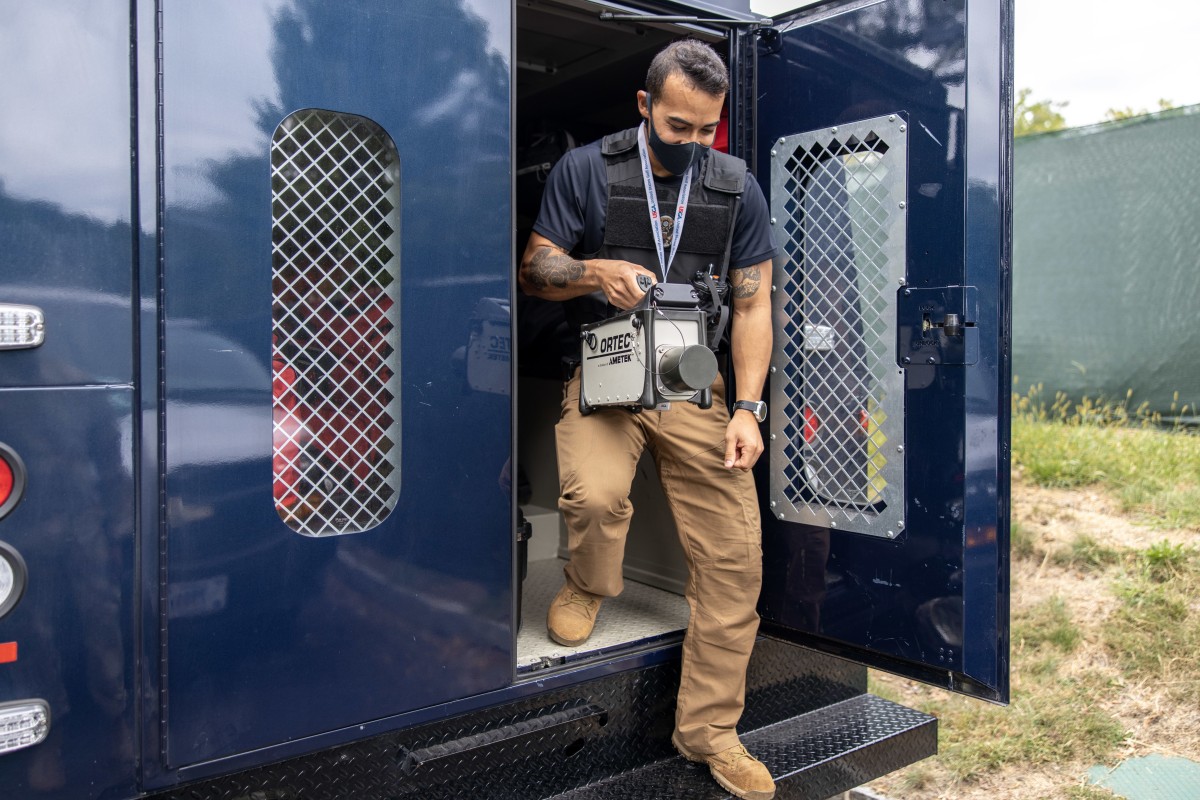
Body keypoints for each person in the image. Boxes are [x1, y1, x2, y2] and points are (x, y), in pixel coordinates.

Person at [518, 40, 777, 800]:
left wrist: (750, 409)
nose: (694, 143)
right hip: (605, 373)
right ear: (644, 106)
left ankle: (711, 736)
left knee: (735, 561)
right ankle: (589, 584)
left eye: (708, 130)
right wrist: (593, 271)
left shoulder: (736, 188)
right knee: (595, 498)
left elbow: (755, 301)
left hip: (693, 381)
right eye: (678, 126)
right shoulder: (585, 170)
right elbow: (535, 269)